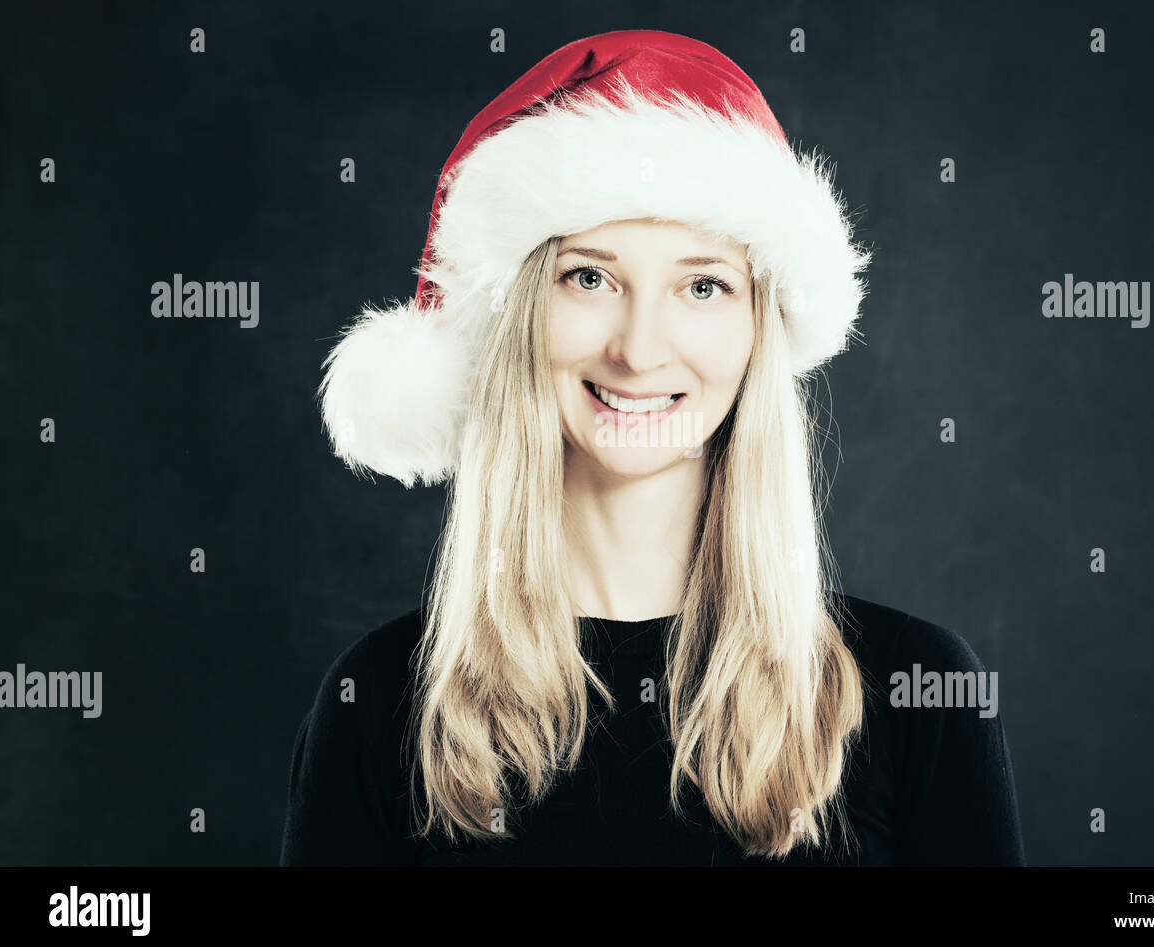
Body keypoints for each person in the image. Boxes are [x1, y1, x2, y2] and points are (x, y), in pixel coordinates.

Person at [281, 29, 1025, 865]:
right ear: (522, 317)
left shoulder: (918, 696)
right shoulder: (376, 702)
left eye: (702, 286)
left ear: (757, 332)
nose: (639, 349)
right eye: (588, 277)